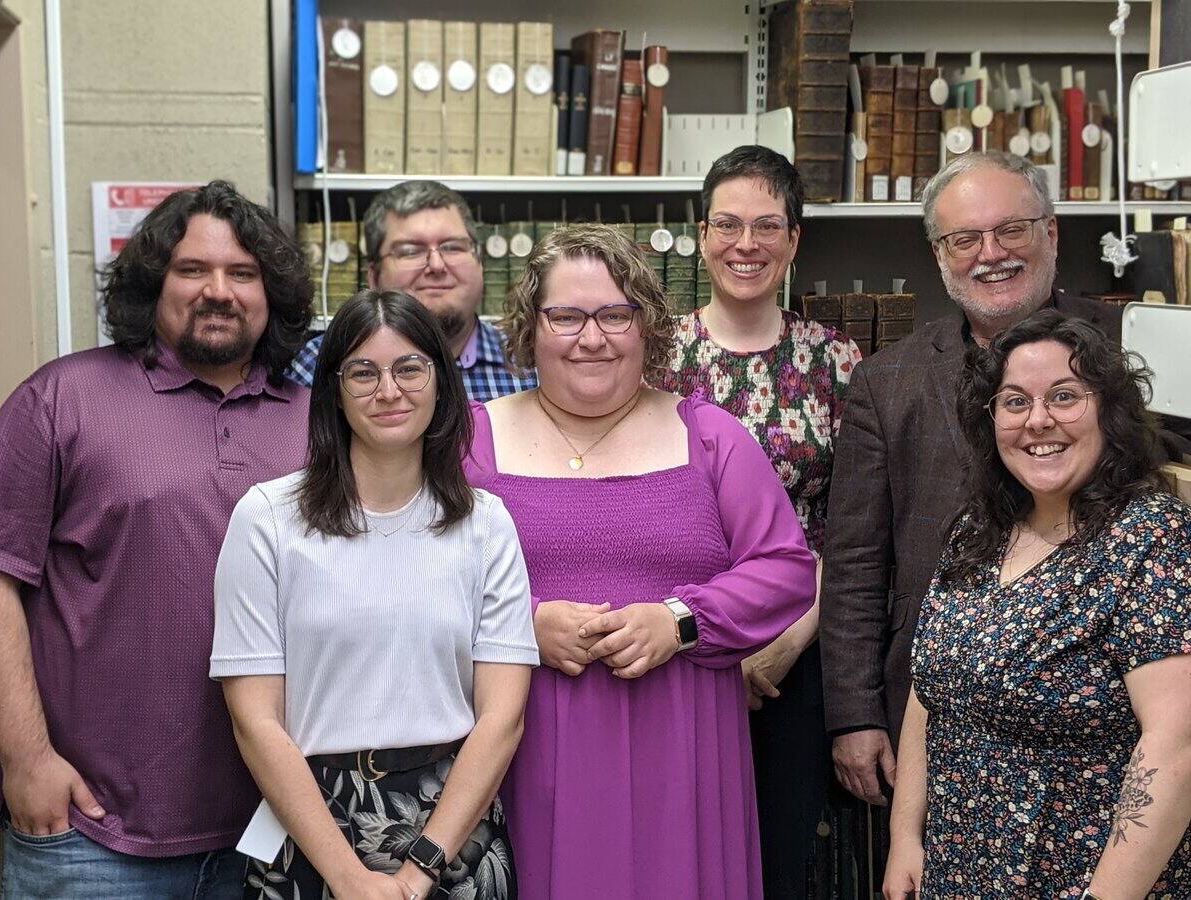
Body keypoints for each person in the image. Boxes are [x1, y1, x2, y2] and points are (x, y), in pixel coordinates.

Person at [463, 223, 818, 899]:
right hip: (522, 750)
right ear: (529, 326)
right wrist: (522, 627)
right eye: (566, 316)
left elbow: (785, 569)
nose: (591, 338)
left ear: (647, 325)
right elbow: (422, 582)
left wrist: (679, 621)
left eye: (615, 315)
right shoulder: (473, 441)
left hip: (682, 753)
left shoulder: (709, 436)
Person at [0, 181, 314, 898]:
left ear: (274, 294)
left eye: (243, 273)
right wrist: (25, 758)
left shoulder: (319, 424)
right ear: (152, 284)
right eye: (192, 269)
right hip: (92, 836)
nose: (218, 291)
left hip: (281, 838)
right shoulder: (61, 399)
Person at [819, 151, 1127, 811]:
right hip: (930, 710)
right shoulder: (886, 382)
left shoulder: (1126, 349)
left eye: (1011, 229)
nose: (991, 254)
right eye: (966, 239)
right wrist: (854, 714)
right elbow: (854, 564)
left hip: (1105, 707)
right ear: (939, 255)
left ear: (1051, 233)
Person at [212, 290, 537, 899]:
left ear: (441, 383)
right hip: (311, 829)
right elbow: (255, 722)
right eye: (363, 372)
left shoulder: (486, 525)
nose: (389, 391)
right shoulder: (267, 520)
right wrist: (348, 879)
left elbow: (502, 719)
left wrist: (415, 876)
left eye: (409, 368)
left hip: (453, 835)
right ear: (333, 389)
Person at [884, 309, 1191, 898]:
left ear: (1110, 410)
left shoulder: (1153, 539)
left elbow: (1174, 748)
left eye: (1065, 396)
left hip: (1090, 880)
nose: (1039, 420)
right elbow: (932, 690)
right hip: (958, 871)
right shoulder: (978, 529)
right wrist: (904, 835)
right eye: (1015, 402)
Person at [658, 145, 861, 897]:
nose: (747, 245)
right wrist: (708, 638)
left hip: (796, 653)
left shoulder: (838, 363)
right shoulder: (654, 358)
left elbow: (852, 529)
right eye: (729, 225)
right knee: (676, 856)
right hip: (672, 650)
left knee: (775, 863)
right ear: (702, 234)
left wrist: (778, 647)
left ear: (796, 240)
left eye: (768, 226)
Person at [288, 180, 536, 400]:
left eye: (452, 247)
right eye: (410, 251)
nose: (437, 265)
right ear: (373, 277)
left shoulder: (531, 362)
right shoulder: (317, 367)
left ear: (480, 263)